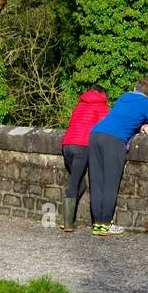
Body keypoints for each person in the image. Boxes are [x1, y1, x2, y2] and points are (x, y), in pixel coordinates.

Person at [88, 78, 148, 237]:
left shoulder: (123, 97)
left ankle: (97, 224)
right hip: (114, 139)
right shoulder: (147, 103)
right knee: (110, 182)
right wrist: (146, 126)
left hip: (95, 134)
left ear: (135, 88)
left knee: (96, 180)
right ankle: (106, 224)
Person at [59, 87, 109, 232]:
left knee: (81, 185)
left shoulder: (80, 104)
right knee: (74, 183)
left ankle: (68, 219)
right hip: (82, 146)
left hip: (67, 144)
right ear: (102, 94)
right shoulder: (101, 105)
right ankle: (67, 223)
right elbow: (105, 128)